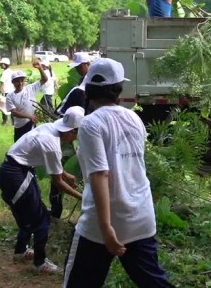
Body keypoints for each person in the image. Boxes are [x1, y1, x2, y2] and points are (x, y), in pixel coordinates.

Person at [63, 58, 173, 287]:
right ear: (118, 89)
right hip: (140, 218)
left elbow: (100, 174)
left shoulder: (91, 124)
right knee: (154, 282)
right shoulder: (134, 118)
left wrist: (106, 228)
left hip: (100, 225)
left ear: (88, 90)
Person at [0, 106, 84, 274]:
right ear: (71, 132)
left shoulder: (50, 129)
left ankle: (21, 251)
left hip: (16, 171)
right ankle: (40, 263)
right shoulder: (52, 144)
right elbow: (57, 182)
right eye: (76, 134)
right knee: (41, 219)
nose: (75, 139)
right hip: (17, 176)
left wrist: (65, 174)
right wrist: (82, 197)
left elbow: (49, 163)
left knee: (27, 214)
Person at [6, 60, 48, 142]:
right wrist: (30, 116)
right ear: (13, 82)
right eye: (17, 81)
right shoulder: (10, 96)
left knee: (31, 144)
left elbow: (44, 79)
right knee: (19, 146)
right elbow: (14, 112)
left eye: (22, 80)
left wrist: (40, 68)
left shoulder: (30, 89)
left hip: (31, 123)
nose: (20, 83)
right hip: (20, 126)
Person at [0, 57, 14, 126]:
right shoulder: (11, 71)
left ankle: (4, 121)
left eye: (1, 64)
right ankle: (13, 121)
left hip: (6, 91)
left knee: (4, 107)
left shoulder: (5, 73)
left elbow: (2, 83)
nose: (0, 65)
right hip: (12, 91)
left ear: (5, 65)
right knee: (12, 107)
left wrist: (1, 92)